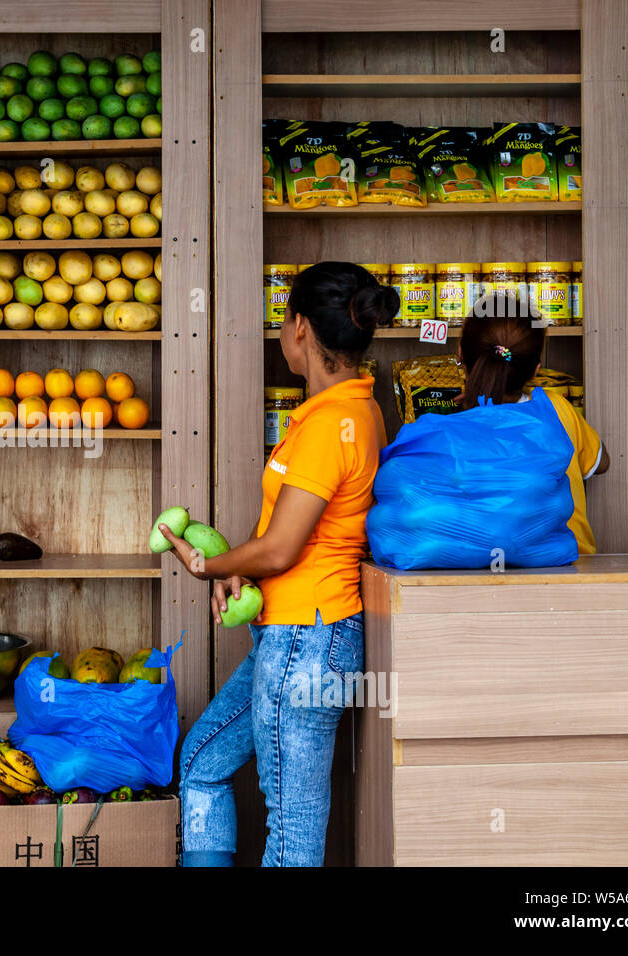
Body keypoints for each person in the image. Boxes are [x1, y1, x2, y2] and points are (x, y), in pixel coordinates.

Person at [160, 262, 397, 866]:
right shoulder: (358, 408)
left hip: (304, 645)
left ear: (298, 328)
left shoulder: (327, 425)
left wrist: (208, 566)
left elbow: (282, 549)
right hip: (298, 639)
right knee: (203, 762)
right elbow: (286, 541)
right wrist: (244, 565)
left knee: (291, 836)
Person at [457, 291, 608, 552]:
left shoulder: (453, 429)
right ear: (536, 368)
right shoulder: (557, 409)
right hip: (574, 568)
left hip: (487, 575)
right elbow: (601, 463)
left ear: (460, 355)